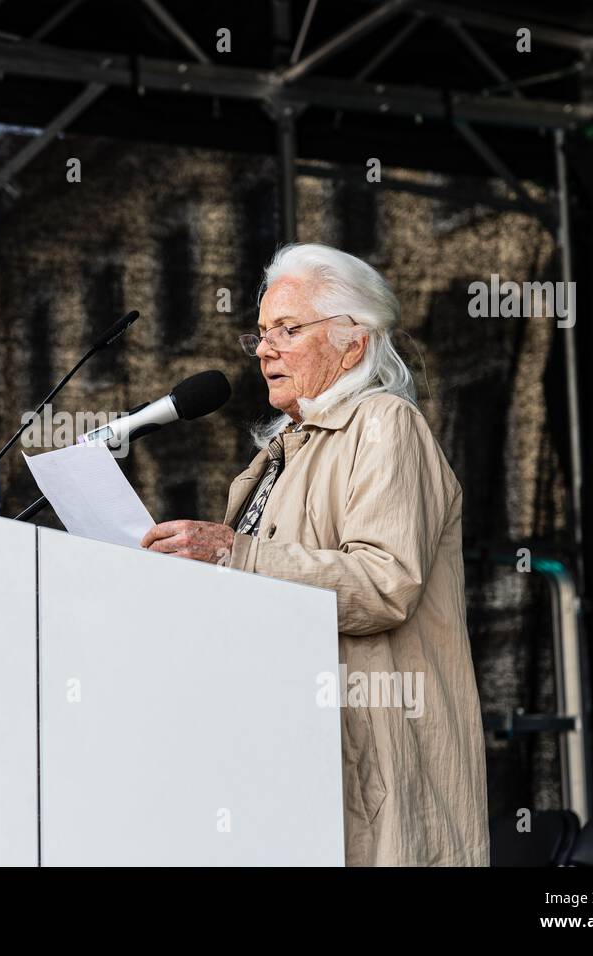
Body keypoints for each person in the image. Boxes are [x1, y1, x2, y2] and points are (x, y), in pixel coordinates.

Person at [141, 242, 489, 866]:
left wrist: (234, 556)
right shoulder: (269, 462)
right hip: (283, 767)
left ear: (352, 342)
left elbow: (386, 583)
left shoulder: (385, 424)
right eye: (261, 334)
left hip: (369, 770)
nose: (265, 350)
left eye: (287, 329)